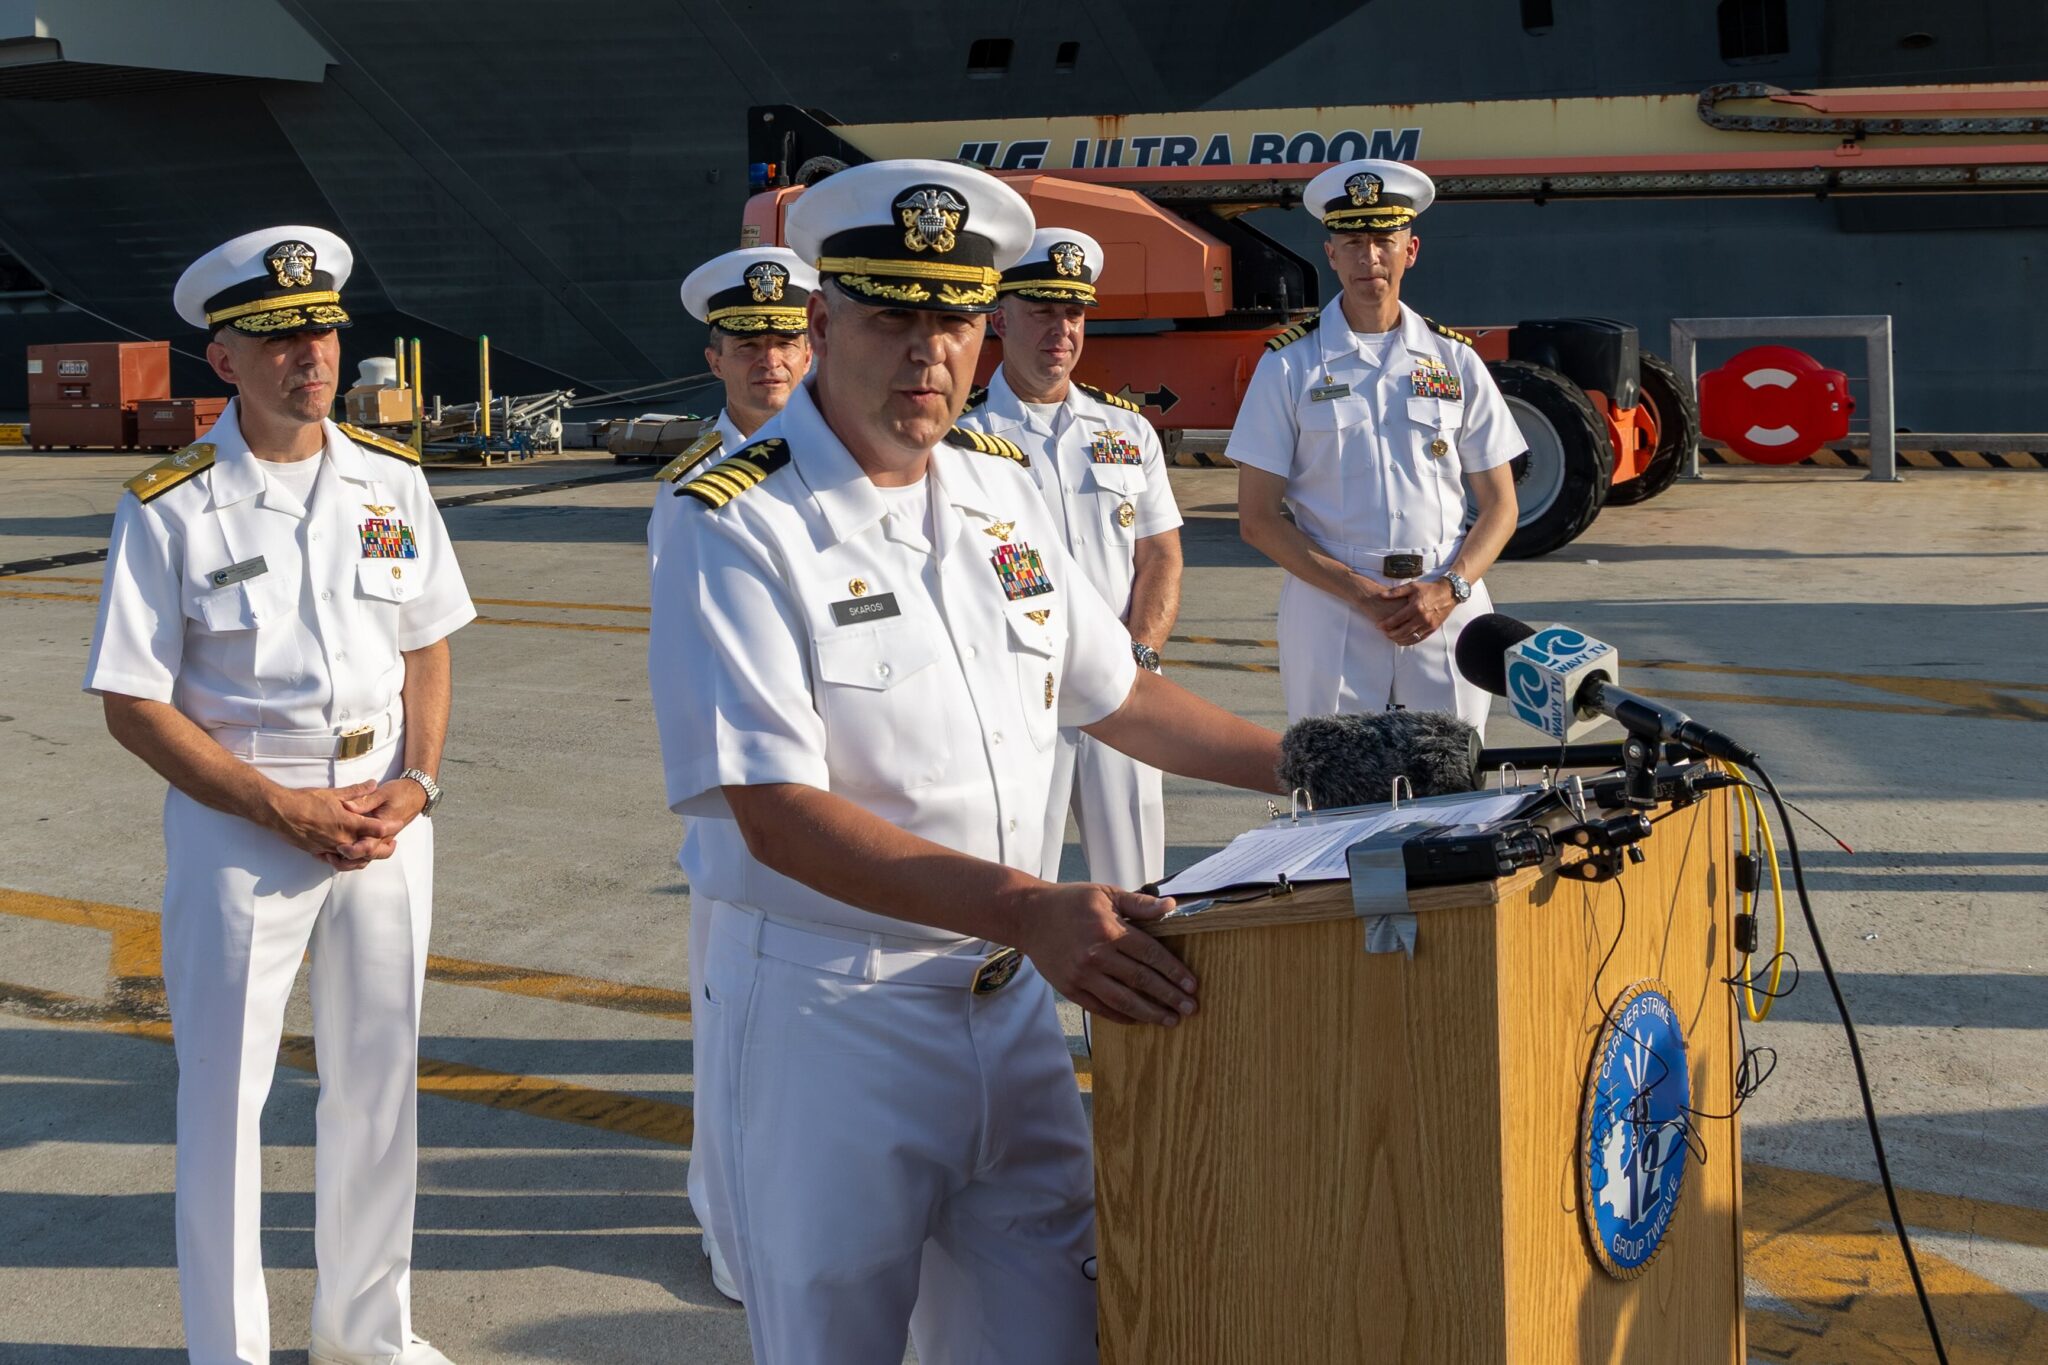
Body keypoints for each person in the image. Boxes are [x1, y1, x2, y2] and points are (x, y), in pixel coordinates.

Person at [647, 159, 1282, 1365]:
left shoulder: (1000, 492)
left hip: (1012, 1004)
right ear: (823, 319)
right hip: (835, 1019)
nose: (926, 352)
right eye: (891, 315)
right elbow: (774, 811)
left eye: (953, 319)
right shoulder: (733, 520)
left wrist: (1319, 762)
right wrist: (1028, 908)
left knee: (1050, 1339)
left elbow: (1116, 696)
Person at [83, 226, 474, 1365]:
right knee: (226, 1100)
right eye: (279, 339)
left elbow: (427, 643)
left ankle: (369, 1334)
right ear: (225, 360)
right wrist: (277, 807)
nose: (312, 354)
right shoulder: (171, 504)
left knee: (379, 1086)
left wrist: (419, 780)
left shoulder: (391, 479)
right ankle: (230, 1351)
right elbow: (132, 703)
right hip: (243, 832)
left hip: (386, 820)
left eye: (323, 331)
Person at [653, 245, 818, 1302]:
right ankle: (726, 1227)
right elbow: (694, 675)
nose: (771, 358)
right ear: (713, 355)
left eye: (786, 336)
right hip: (743, 816)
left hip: (841, 803)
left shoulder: (840, 465)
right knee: (733, 1033)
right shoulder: (691, 496)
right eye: (747, 340)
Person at [1227, 158, 1521, 726]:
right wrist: (1360, 593)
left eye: (1384, 240)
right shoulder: (1289, 366)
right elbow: (1257, 519)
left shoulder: (1456, 360)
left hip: (1445, 601)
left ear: (1411, 250)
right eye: (1353, 243)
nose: (1369, 259)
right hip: (1332, 605)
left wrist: (1450, 588)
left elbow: (1501, 505)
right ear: (1330, 253)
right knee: (1334, 774)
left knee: (1452, 773)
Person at [959, 227, 1182, 890]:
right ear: (1000, 318)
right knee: (1018, 887)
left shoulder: (1126, 429)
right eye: (1042, 312)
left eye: (1074, 313)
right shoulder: (962, 437)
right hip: (1017, 695)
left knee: (1139, 887)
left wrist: (1139, 656)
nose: (1061, 330)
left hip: (1122, 688)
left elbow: (1160, 554)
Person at [649, 247, 817, 572]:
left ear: (808, 357)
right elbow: (677, 594)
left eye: (786, 344)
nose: (770, 361)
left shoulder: (852, 460)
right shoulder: (689, 484)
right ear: (715, 363)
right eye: (747, 345)